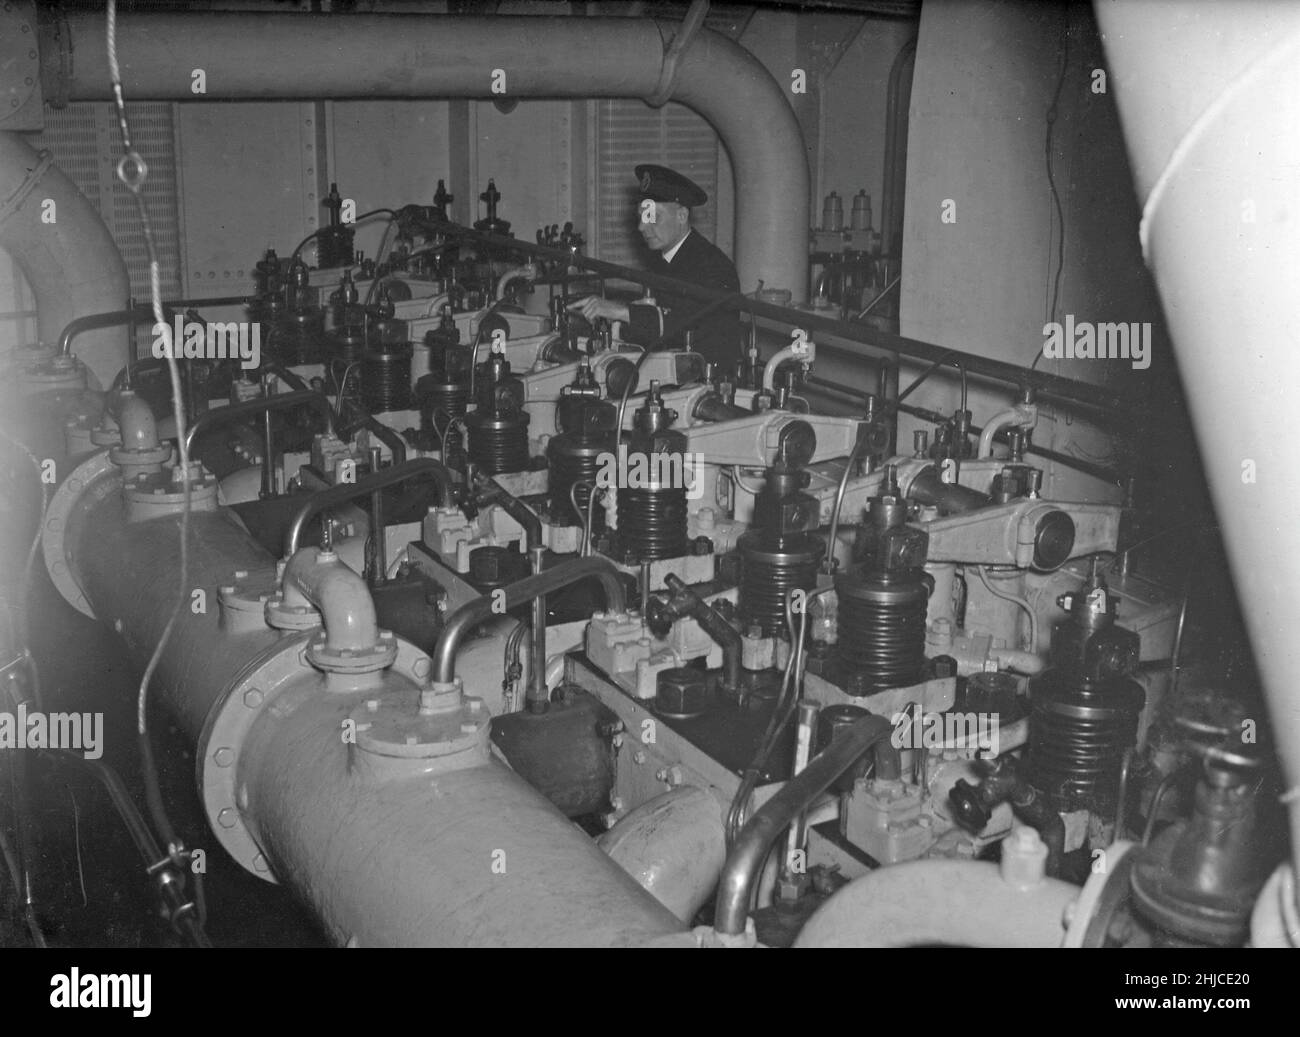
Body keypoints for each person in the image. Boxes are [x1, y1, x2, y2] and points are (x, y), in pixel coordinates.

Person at [569, 164, 742, 369]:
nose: (641, 227)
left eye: (652, 216)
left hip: (706, 375)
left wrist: (622, 312)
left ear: (681, 216)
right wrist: (613, 323)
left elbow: (686, 323)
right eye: (641, 217)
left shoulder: (713, 265)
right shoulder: (665, 259)